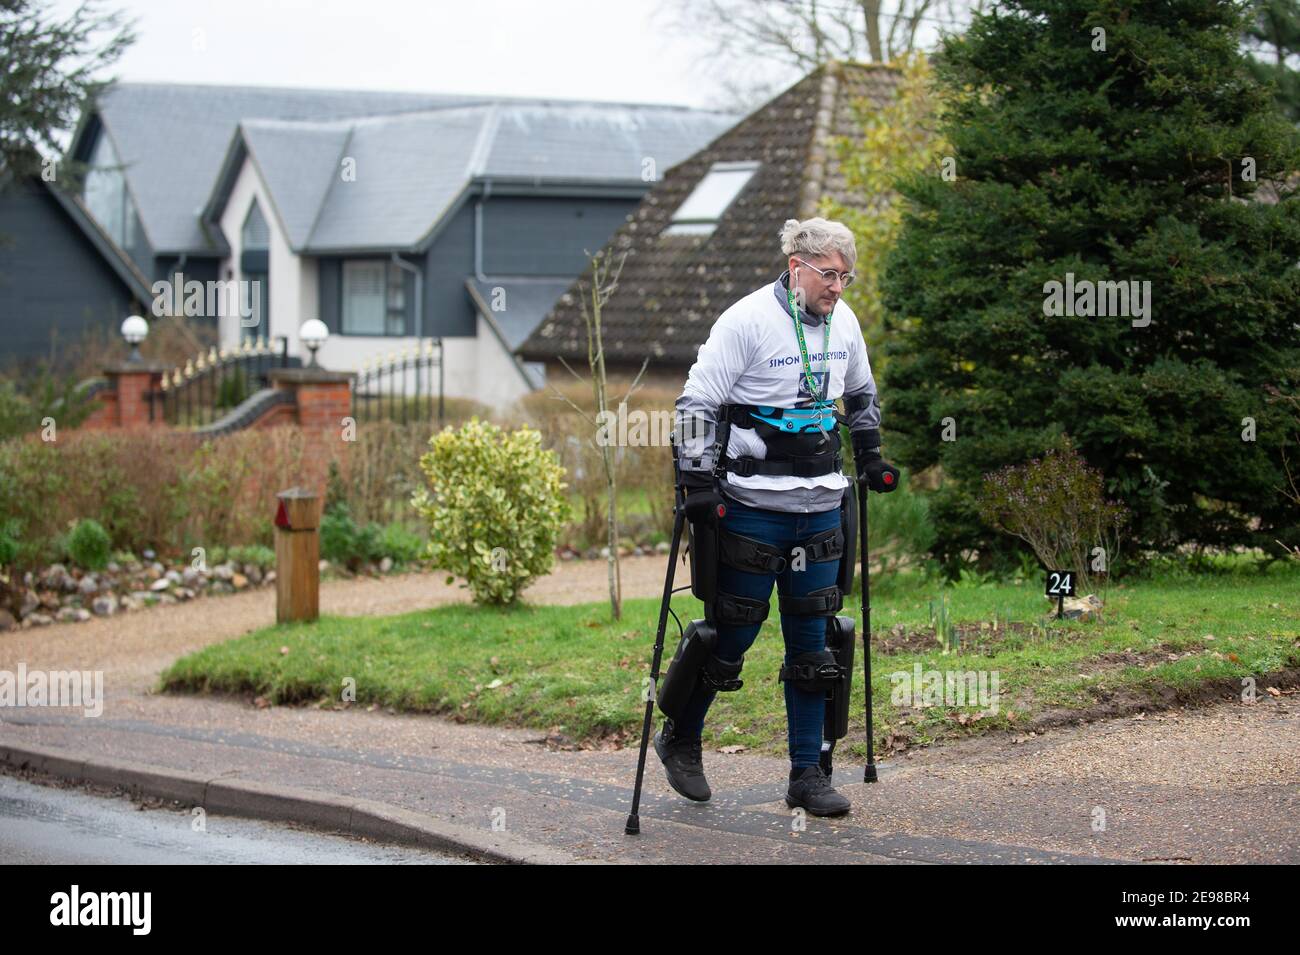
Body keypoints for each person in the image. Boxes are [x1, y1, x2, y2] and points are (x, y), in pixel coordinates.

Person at [656, 216, 898, 816]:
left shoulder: (845, 324)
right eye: (828, 275)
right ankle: (681, 737)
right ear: (797, 268)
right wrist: (694, 484)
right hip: (752, 509)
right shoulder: (745, 321)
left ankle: (808, 773)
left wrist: (870, 459)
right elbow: (696, 403)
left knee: (816, 646)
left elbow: (861, 396)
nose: (838, 287)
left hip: (821, 509)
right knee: (730, 637)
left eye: (846, 276)